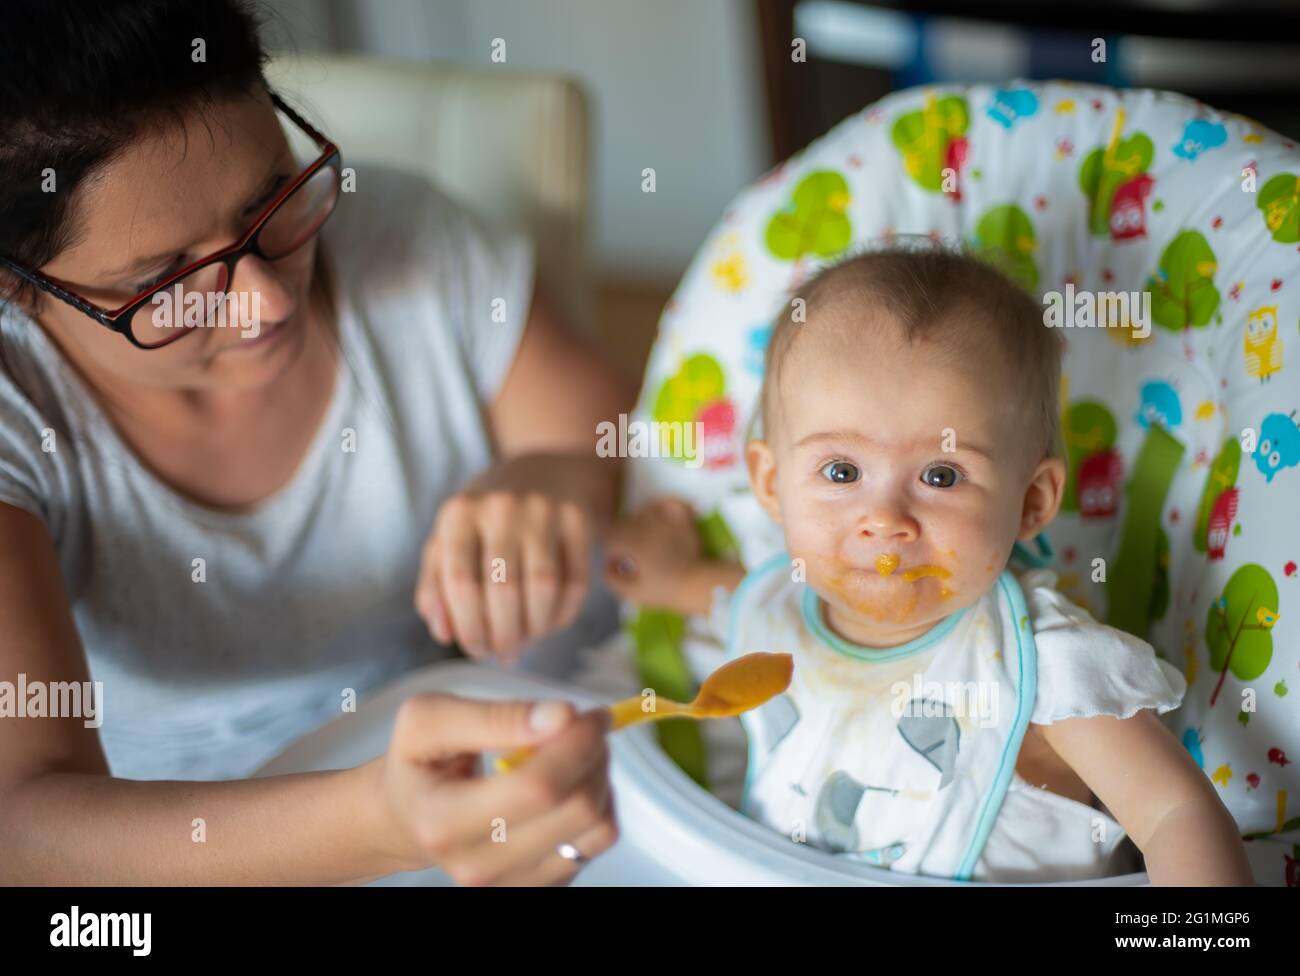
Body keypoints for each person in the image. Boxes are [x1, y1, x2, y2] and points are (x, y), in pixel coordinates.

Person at [0, 0, 632, 885]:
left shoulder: (412, 243)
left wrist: (552, 476)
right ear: (20, 290)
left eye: (272, 204)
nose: (268, 303)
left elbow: (605, 434)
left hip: (446, 755)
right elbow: (25, 828)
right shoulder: (16, 412)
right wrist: (377, 821)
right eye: (166, 284)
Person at [605, 247, 1253, 884]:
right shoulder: (775, 601)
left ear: (1029, 503)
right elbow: (724, 594)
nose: (885, 517)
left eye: (942, 475)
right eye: (842, 471)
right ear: (771, 485)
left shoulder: (1044, 668)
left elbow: (1175, 813)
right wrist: (667, 574)